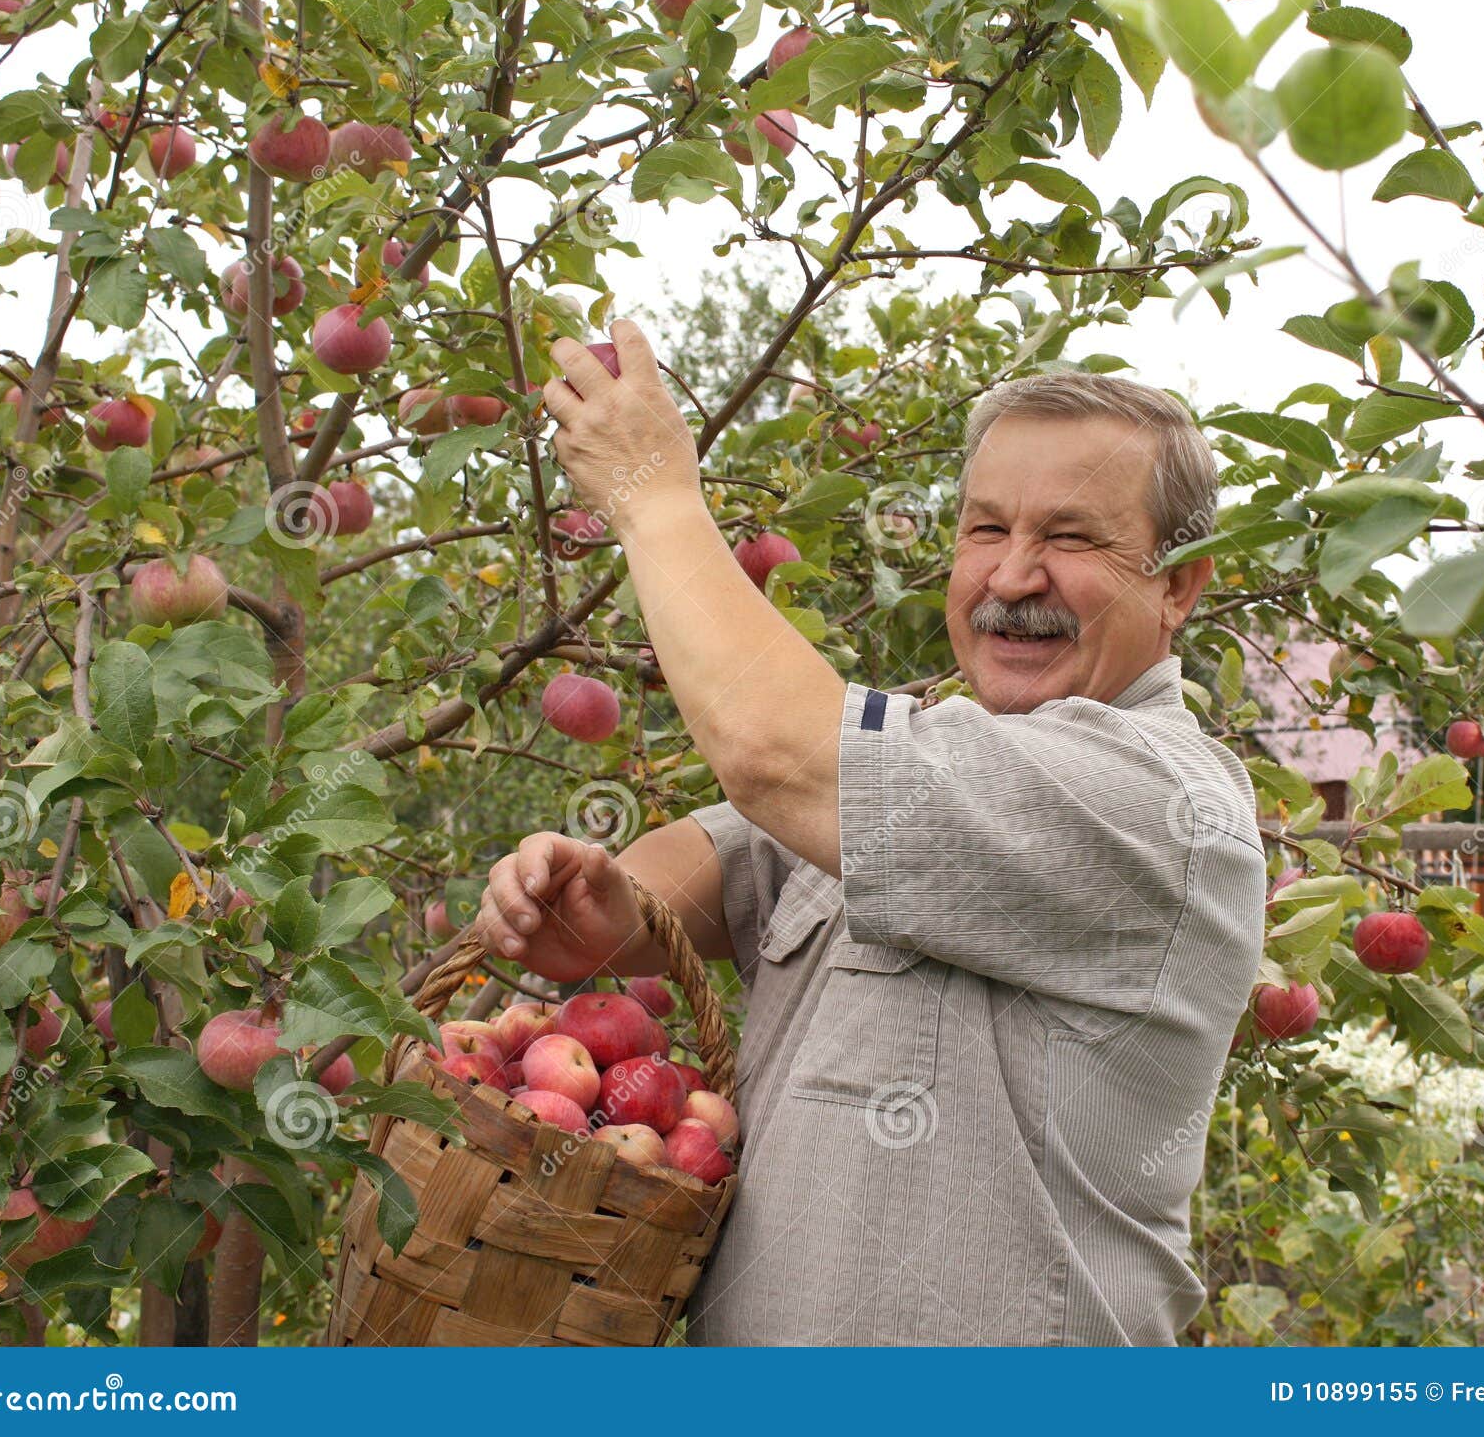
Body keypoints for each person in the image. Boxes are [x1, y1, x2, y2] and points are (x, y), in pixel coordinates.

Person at [474, 321, 1265, 1345]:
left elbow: (775, 754)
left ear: (1177, 587)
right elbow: (732, 845)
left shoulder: (1154, 798)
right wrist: (611, 902)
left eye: (1070, 538)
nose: (1013, 576)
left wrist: (652, 496)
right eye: (985, 530)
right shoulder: (937, 744)